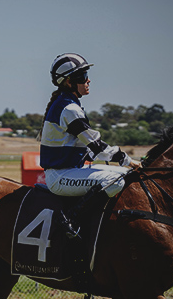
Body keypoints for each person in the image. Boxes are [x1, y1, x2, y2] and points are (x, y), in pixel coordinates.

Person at [40, 53, 139, 238]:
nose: (88, 80)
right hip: (60, 177)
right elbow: (98, 148)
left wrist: (126, 164)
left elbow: (88, 151)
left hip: (68, 172)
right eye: (83, 76)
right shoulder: (69, 109)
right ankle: (72, 218)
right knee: (116, 181)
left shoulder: (68, 104)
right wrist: (128, 160)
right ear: (69, 82)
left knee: (128, 175)